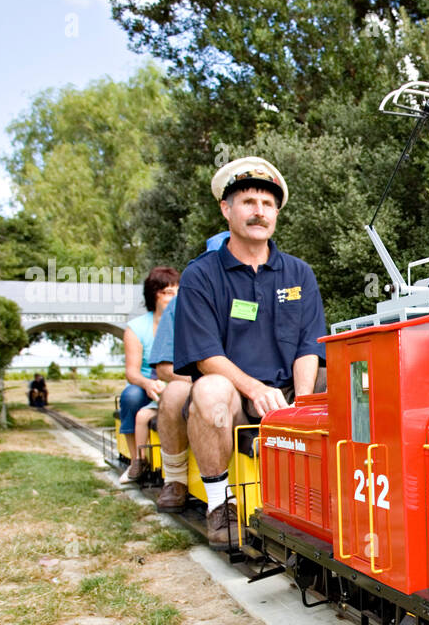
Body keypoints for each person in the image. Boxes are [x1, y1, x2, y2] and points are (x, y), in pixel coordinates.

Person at [173, 157, 326, 548]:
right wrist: (255, 390)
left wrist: (301, 407)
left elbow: (310, 346)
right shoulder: (200, 275)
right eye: (249, 202)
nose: (259, 212)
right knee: (208, 391)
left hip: (290, 393)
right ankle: (220, 504)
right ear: (226, 209)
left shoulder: (299, 273)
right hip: (238, 399)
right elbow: (206, 354)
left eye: (267, 204)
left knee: (356, 379)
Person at [146, 232, 229, 512]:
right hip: (198, 383)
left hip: (247, 384)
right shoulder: (179, 306)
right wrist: (202, 378)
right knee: (173, 394)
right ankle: (176, 480)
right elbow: (163, 367)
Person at [118, 266, 181, 483]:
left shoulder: (183, 322)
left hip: (172, 381)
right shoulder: (136, 328)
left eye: (177, 292)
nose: (174, 298)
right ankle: (137, 460)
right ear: (154, 295)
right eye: (167, 292)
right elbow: (132, 372)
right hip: (147, 383)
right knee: (131, 396)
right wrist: (147, 384)